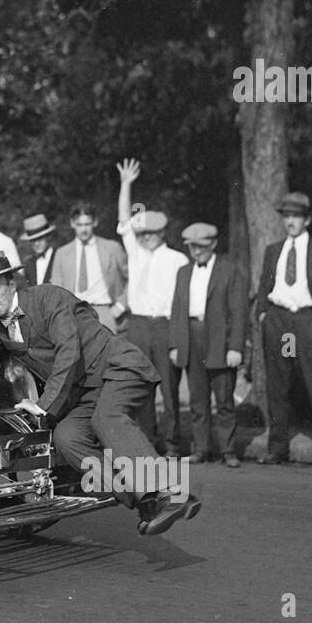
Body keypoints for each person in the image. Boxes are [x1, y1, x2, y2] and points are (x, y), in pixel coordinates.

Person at [0, 251, 201, 535]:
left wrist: (43, 405)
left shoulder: (48, 297)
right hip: (85, 390)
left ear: (12, 283)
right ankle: (144, 500)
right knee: (67, 438)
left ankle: (173, 492)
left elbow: (68, 351)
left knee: (106, 419)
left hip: (118, 366)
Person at [254, 191, 312, 467]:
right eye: (286, 217)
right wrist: (263, 316)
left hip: (306, 322)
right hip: (279, 321)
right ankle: (277, 448)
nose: (290, 222)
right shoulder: (274, 251)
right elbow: (264, 289)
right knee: (278, 385)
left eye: (296, 217)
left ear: (307, 220)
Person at [116, 159, 187, 454]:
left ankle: (171, 442)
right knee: (141, 384)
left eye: (152, 234)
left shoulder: (177, 260)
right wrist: (126, 184)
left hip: (164, 324)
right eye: (143, 233)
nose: (145, 238)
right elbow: (124, 220)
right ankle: (148, 439)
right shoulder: (136, 253)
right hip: (139, 324)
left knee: (169, 387)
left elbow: (180, 303)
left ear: (162, 234)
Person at [168, 223, 247, 468]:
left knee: (224, 398)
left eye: (201, 246)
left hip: (220, 339)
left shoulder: (230, 270)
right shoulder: (183, 272)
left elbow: (238, 311)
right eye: (192, 247)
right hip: (192, 336)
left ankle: (228, 450)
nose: (196, 252)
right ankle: (201, 448)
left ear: (213, 244)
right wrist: (175, 345)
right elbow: (177, 310)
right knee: (197, 398)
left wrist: (235, 347)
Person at [50, 200, 129, 332]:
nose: (84, 229)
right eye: (79, 224)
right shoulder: (62, 253)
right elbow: (55, 289)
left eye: (87, 224)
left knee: (108, 351)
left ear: (95, 222)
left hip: (105, 312)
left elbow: (132, 277)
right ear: (72, 224)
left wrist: (121, 305)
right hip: (73, 314)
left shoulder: (111, 248)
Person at [20, 213, 59, 285]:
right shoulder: (28, 265)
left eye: (40, 238)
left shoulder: (59, 257)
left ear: (48, 236)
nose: (36, 244)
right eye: (33, 240)